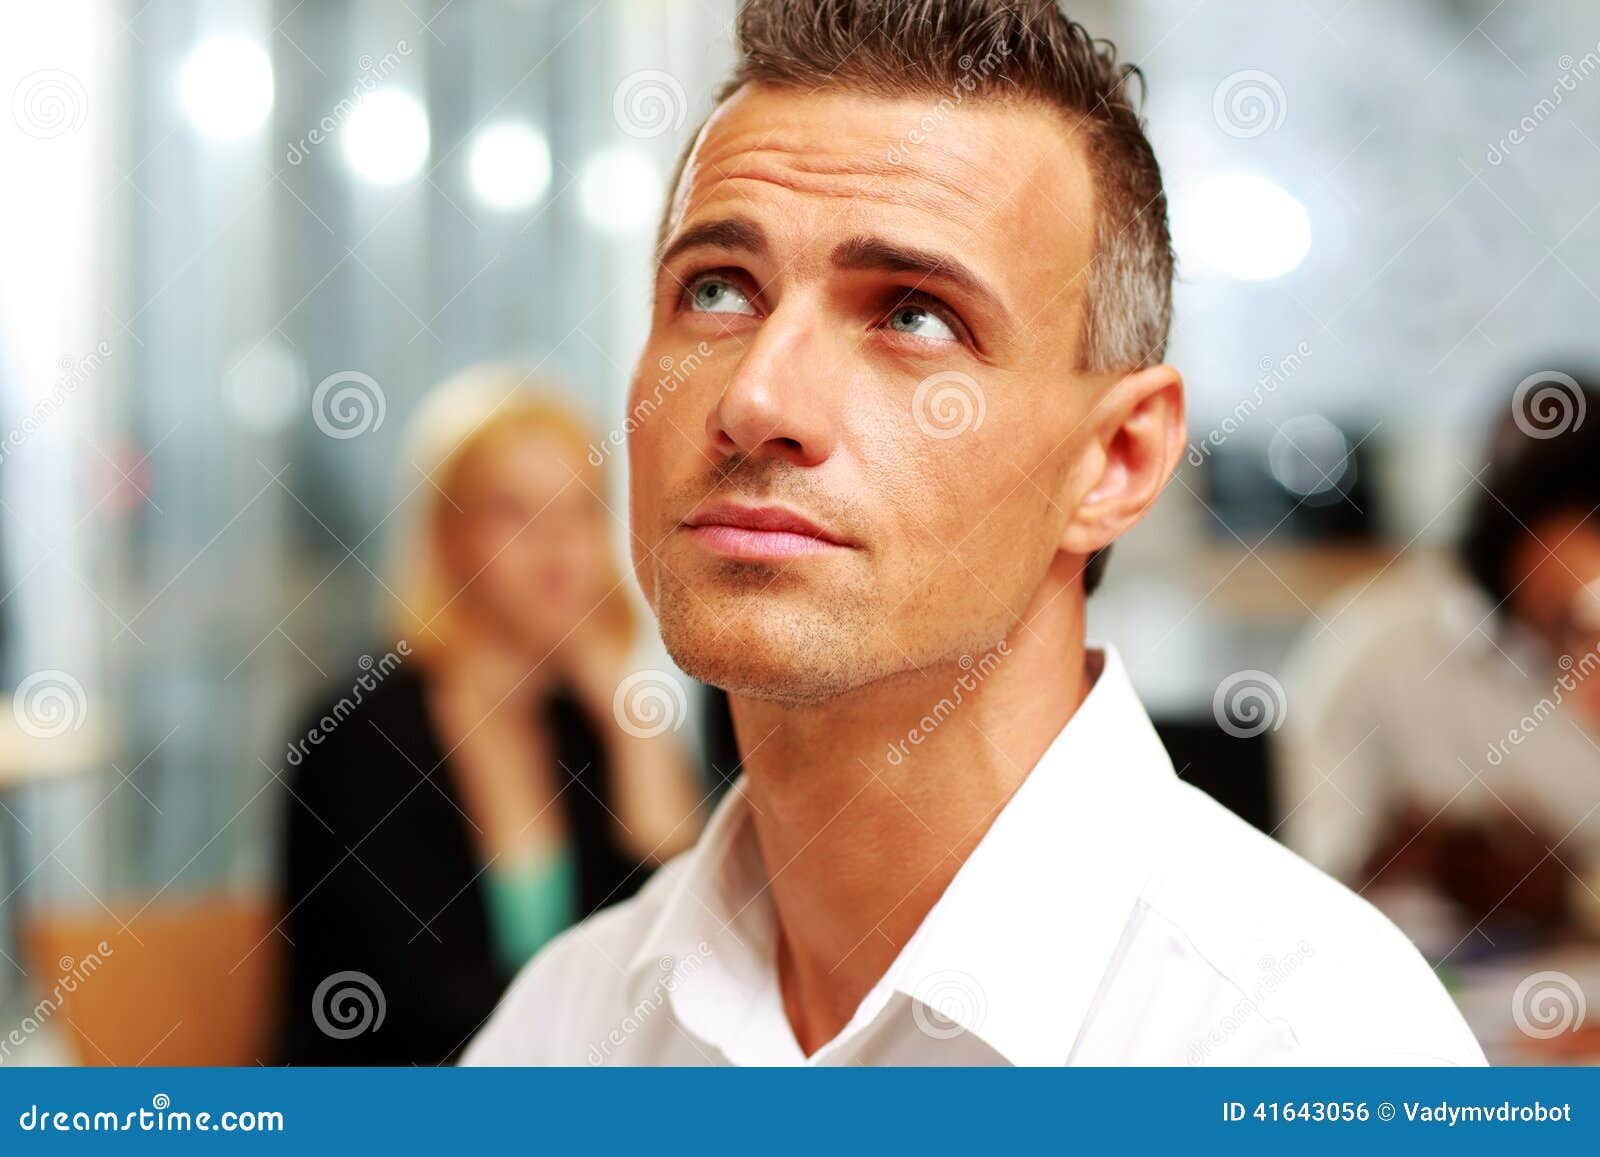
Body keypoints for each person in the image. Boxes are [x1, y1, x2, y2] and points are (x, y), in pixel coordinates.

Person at [463, 0, 1483, 1066]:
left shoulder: (1309, 1047)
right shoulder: (565, 1029)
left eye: (914, 314)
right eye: (718, 291)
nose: (757, 397)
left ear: (1116, 458)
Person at [279, 368, 704, 1065]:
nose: (556, 545)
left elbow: (681, 945)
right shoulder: (360, 732)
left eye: (580, 510)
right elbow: (420, 1011)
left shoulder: (586, 725)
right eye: (515, 511)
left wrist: (627, 715)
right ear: (446, 535)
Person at [1278, 374, 1600, 953]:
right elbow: (1305, 888)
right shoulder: (1372, 646)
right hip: (1408, 978)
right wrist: (1416, 857)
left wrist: (1566, 892)